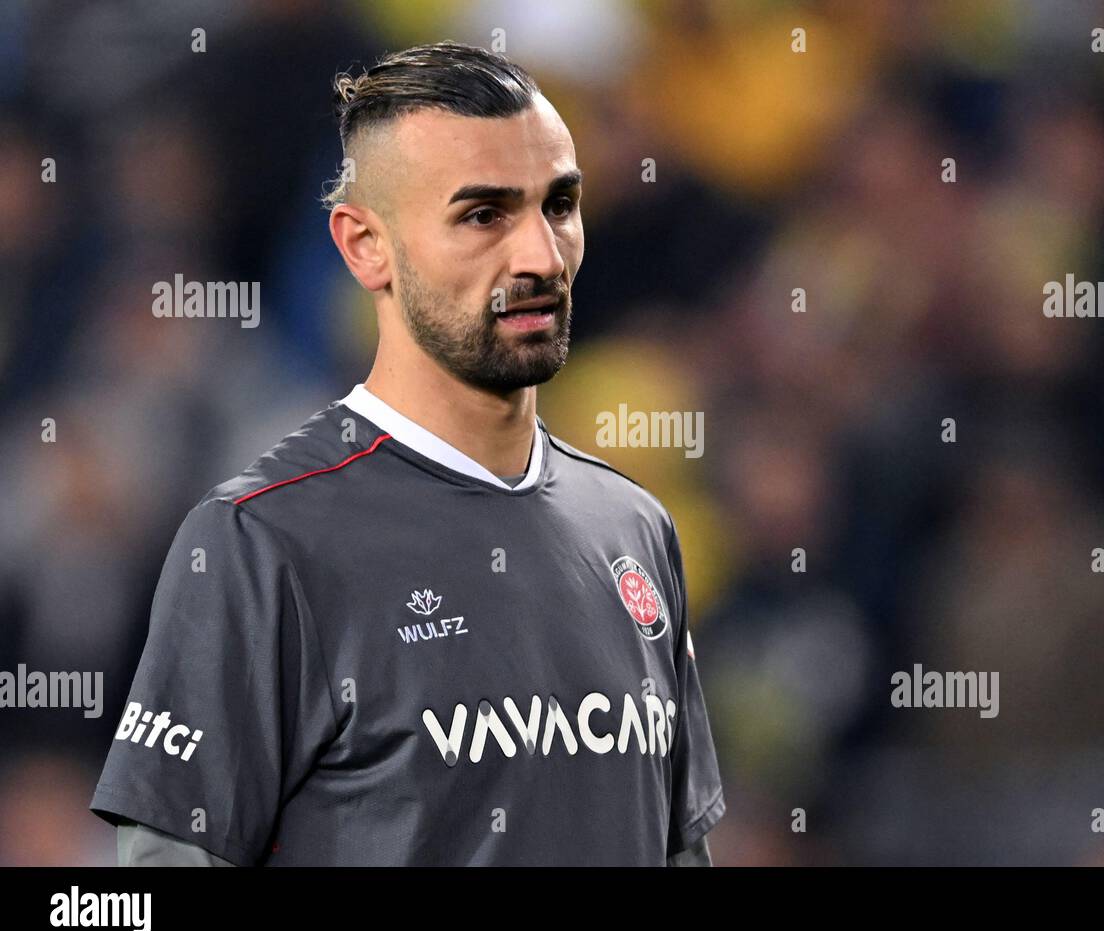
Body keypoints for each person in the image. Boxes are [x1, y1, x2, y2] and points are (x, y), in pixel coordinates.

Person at [89, 42, 724, 866]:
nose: (538, 257)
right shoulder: (261, 541)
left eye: (558, 206)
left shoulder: (635, 528)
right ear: (364, 246)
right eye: (482, 215)